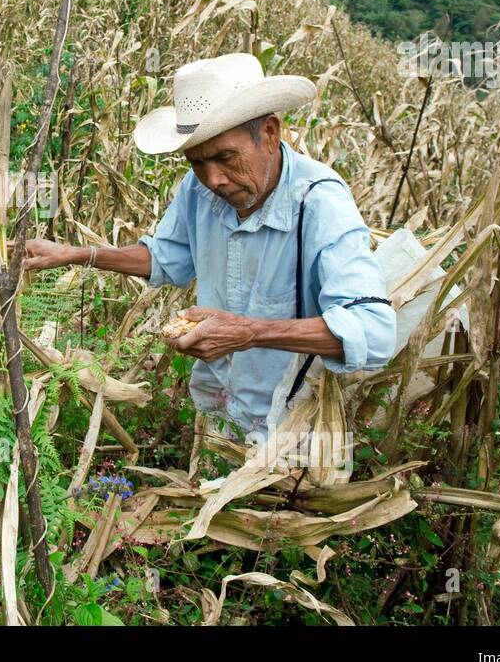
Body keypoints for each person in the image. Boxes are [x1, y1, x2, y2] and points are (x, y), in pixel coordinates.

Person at [23, 53, 396, 443]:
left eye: (225, 158)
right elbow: (167, 258)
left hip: (294, 429)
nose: (213, 179)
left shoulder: (318, 203)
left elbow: (373, 330)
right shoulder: (199, 190)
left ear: (270, 133)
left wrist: (249, 332)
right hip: (218, 414)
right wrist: (76, 254)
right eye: (196, 162)